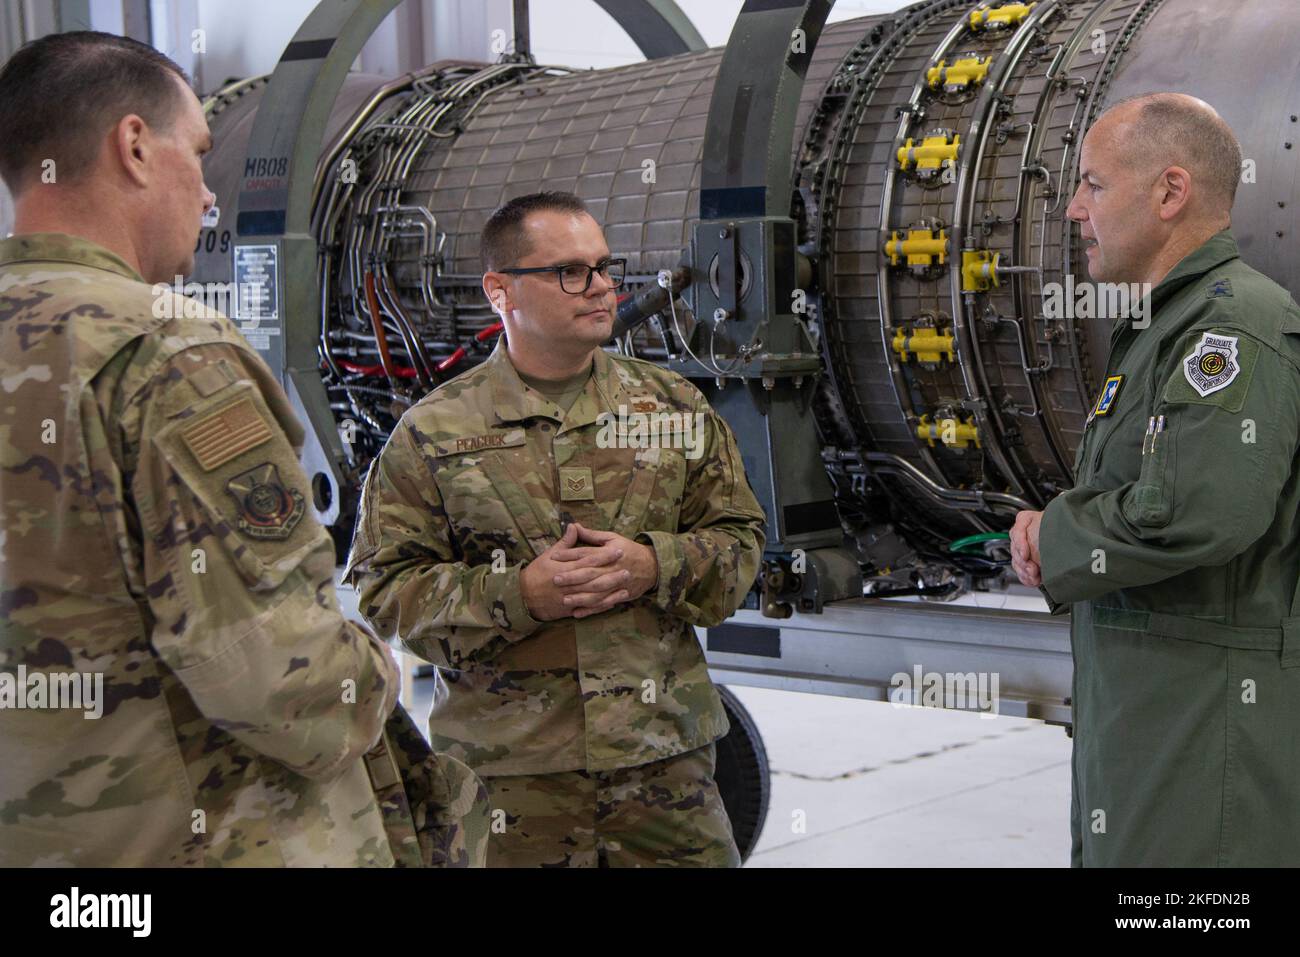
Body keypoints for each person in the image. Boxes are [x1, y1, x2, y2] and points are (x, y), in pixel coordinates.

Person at [0, 31, 486, 867]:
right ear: (134, 146)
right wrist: (380, 668)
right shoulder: (166, 355)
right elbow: (279, 680)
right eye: (198, 153)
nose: (209, 194)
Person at [345, 191, 768, 867]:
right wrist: (520, 595)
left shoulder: (672, 407)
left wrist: (653, 565)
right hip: (508, 780)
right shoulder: (433, 432)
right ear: (500, 290)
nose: (601, 287)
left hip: (663, 769)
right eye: (571, 271)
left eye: (604, 266)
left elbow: (742, 546)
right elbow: (385, 592)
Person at [1009, 93, 1300, 866]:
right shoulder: (1164, 326)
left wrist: (1055, 534)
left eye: (1094, 186)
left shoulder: (1229, 328)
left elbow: (1199, 512)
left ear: (1170, 193)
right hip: (1151, 719)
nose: (1075, 209)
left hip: (1205, 734)